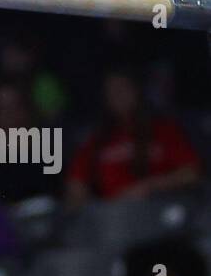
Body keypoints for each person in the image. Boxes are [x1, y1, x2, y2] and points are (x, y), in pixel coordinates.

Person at [66, 69, 202, 206]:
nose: (117, 95)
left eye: (122, 88)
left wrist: (149, 186)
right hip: (114, 217)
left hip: (160, 210)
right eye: (111, 91)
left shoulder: (164, 130)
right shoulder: (96, 140)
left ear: (136, 90)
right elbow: (76, 186)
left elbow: (191, 174)